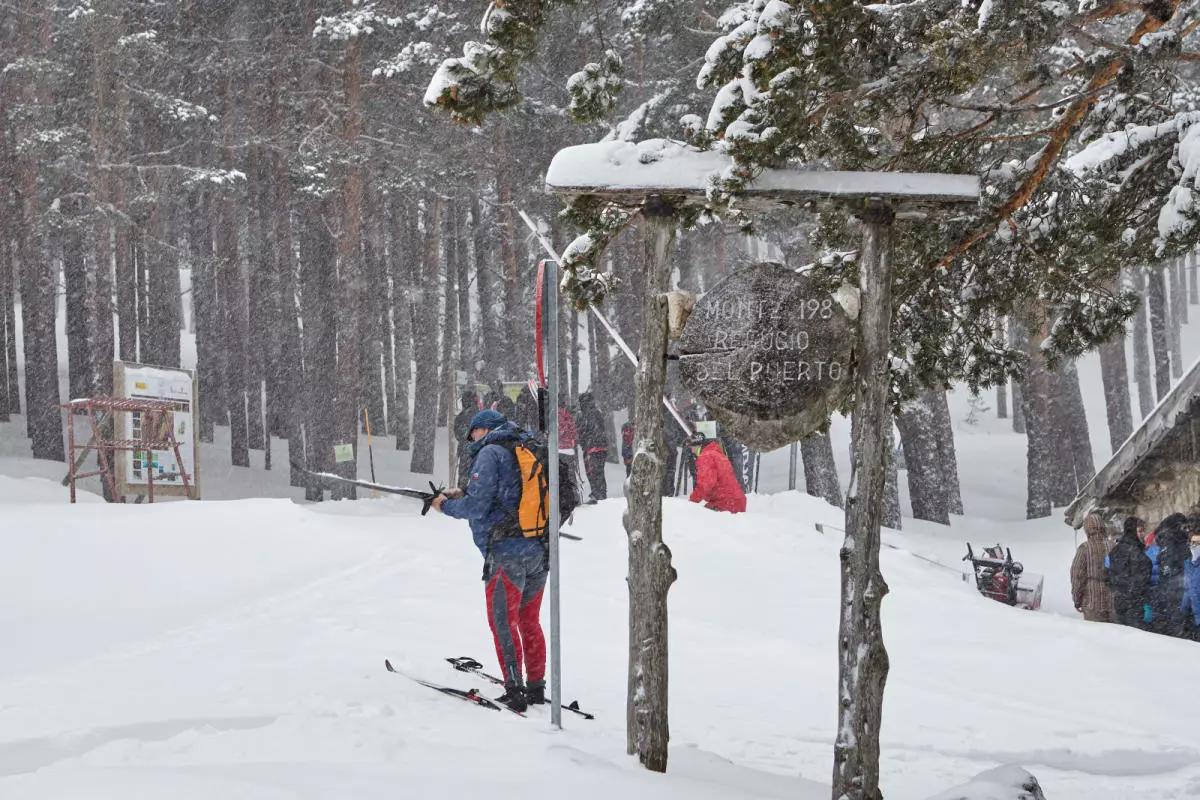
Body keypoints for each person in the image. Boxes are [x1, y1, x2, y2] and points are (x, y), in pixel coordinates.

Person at [432, 409, 546, 713]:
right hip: (537, 549)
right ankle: (536, 686)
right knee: (529, 621)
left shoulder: (490, 453)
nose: (471, 439)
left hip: (506, 553)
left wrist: (445, 506)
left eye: (474, 433)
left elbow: (479, 506)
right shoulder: (524, 446)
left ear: (485, 429)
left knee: (503, 623)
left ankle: (514, 689)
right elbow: (510, 494)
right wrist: (463, 491)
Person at [1106, 516, 1152, 628]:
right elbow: (1143, 578)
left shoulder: (1115, 550)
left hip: (1120, 602)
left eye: (1143, 531)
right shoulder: (1136, 551)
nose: (1143, 534)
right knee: (1136, 638)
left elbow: (1107, 575)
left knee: (1122, 637)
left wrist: (1118, 590)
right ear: (1132, 531)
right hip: (1135, 604)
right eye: (1140, 531)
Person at [687, 431, 747, 513]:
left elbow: (705, 485)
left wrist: (690, 503)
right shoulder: (716, 453)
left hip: (726, 503)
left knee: (698, 518)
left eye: (691, 447)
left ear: (697, 445)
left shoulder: (706, 457)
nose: (692, 451)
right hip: (735, 502)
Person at [1152, 512, 1191, 638]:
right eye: (1184, 527)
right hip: (1176, 592)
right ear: (1176, 526)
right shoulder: (1171, 542)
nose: (1187, 530)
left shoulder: (1176, 541)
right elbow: (1169, 570)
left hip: (1178, 591)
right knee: (1179, 629)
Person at [1071, 513, 1114, 623]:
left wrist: (1077, 599)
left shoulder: (1084, 548)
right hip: (1112, 601)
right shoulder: (1113, 546)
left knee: (1094, 637)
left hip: (1092, 602)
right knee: (1113, 636)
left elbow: (1077, 576)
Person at [576, 391, 608, 502]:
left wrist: (582, 440)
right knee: (600, 471)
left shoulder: (584, 414)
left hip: (591, 447)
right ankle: (602, 493)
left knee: (591, 471)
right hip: (602, 447)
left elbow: (581, 430)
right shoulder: (597, 412)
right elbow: (601, 428)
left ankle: (596, 494)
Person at [451, 391, 479, 488]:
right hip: (478, 451)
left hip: (465, 451)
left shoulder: (461, 416)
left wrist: (466, 440)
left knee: (463, 477)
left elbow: (458, 434)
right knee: (476, 477)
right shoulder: (480, 415)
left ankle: (462, 495)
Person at [1182, 529, 1200, 641]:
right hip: (1191, 617)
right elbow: (1188, 589)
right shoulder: (1188, 563)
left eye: (1198, 543)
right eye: (1193, 542)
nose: (1194, 546)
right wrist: (1183, 610)